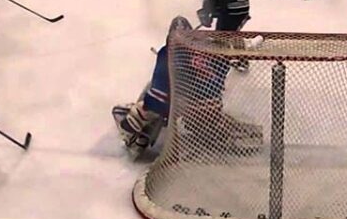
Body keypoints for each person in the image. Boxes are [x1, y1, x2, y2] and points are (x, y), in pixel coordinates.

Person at [112, 17, 262, 158]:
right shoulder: (206, 49)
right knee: (207, 115)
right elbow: (224, 65)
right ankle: (214, 131)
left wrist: (140, 113)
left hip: (186, 108)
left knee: (143, 101)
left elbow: (159, 98)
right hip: (212, 109)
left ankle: (140, 136)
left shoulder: (167, 53)